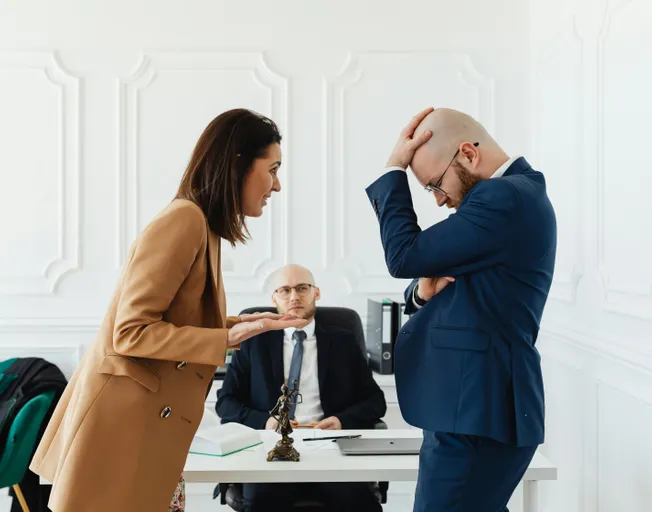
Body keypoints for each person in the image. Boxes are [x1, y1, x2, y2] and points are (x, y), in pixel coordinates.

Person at [28, 108, 309, 512]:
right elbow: (130, 331)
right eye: (273, 168)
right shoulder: (184, 221)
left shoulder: (202, 226)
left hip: (144, 433)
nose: (277, 185)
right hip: (122, 435)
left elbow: (170, 319)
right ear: (237, 164)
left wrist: (237, 324)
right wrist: (224, 337)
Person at [365, 107, 557, 511]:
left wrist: (394, 168)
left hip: (476, 415)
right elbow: (446, 288)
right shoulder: (509, 202)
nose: (438, 202)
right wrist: (421, 293)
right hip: (473, 410)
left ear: (468, 154)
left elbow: (404, 255)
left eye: (435, 185)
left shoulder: (502, 197)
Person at [216, 264, 386, 512]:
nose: (294, 296)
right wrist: (267, 421)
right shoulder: (253, 343)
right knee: (261, 501)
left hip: (330, 450)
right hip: (271, 451)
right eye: (284, 290)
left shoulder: (343, 341)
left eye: (302, 288)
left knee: (359, 502)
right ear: (274, 298)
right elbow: (226, 403)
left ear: (316, 293)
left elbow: (375, 402)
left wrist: (341, 420)